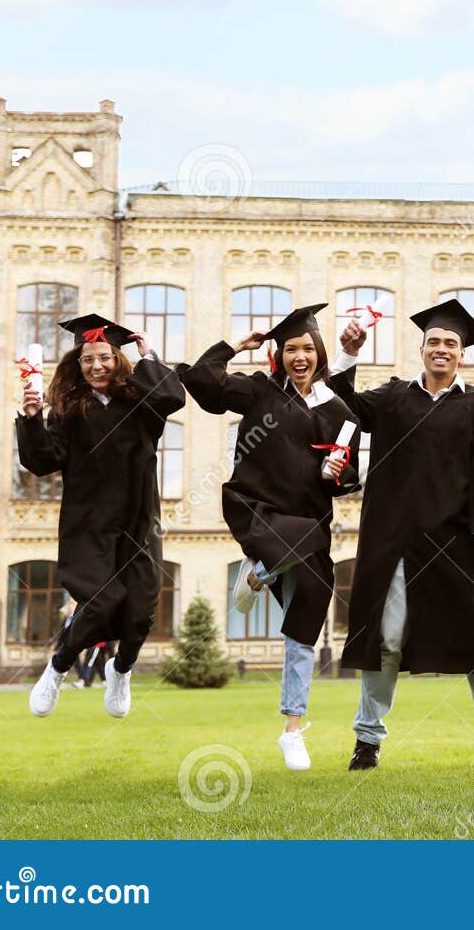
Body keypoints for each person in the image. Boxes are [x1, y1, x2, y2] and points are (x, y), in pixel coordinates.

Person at [329, 299, 474, 769]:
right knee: (386, 638)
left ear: (462, 353)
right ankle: (366, 743)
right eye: (434, 341)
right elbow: (340, 409)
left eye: (450, 343)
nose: (441, 349)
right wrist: (348, 356)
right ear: (422, 348)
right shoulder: (392, 397)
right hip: (391, 539)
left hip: (452, 540)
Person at [178, 303, 362, 770]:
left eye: (308, 348)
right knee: (304, 545)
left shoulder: (338, 408)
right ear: (280, 355)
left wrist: (333, 471)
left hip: (308, 518)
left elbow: (347, 475)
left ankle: (292, 729)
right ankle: (260, 571)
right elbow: (203, 382)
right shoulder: (260, 391)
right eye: (292, 349)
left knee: (307, 620)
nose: (301, 356)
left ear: (320, 353)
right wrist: (236, 346)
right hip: (257, 507)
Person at [18, 314, 185, 720]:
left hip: (139, 522)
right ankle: (58, 668)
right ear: (78, 365)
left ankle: (121, 670)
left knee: (142, 608)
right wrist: (31, 418)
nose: (96, 366)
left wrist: (150, 356)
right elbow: (41, 461)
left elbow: (172, 399)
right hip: (88, 524)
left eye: (105, 357)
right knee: (101, 601)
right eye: (88, 359)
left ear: (119, 359)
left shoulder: (141, 402)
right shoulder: (68, 412)